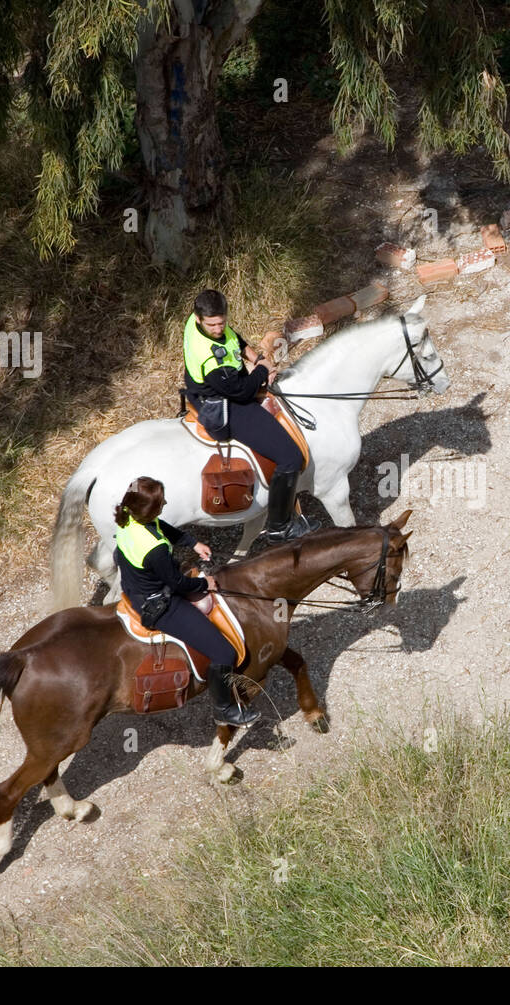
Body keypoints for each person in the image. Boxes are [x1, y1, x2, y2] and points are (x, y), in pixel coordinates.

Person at [113, 476, 259, 728]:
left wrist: (192, 543)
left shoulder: (128, 517)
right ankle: (224, 709)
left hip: (133, 586)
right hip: (158, 605)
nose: (165, 503)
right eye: (160, 503)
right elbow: (178, 584)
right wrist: (206, 584)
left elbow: (161, 526)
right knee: (224, 652)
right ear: (146, 510)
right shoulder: (155, 549)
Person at [182, 288, 318, 543]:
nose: (218, 329)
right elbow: (241, 392)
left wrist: (255, 357)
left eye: (222, 322)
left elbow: (235, 340)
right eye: (212, 325)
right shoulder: (209, 355)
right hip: (224, 404)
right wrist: (263, 369)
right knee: (290, 457)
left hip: (219, 387)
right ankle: (279, 526)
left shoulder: (199, 320)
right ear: (199, 319)